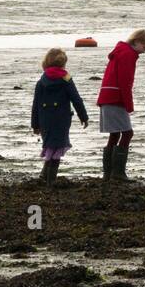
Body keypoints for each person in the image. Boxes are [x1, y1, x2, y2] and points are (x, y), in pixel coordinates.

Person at [95, 28, 145, 181]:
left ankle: (108, 173)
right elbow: (125, 82)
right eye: (144, 47)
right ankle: (117, 173)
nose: (144, 52)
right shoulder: (128, 54)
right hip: (115, 97)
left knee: (114, 133)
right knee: (127, 133)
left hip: (106, 96)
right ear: (137, 42)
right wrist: (129, 104)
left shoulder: (119, 52)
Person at [31, 47, 88, 186]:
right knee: (57, 147)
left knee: (50, 146)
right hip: (61, 120)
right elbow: (76, 99)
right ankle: (51, 181)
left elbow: (35, 105)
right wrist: (83, 116)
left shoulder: (41, 81)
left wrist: (35, 125)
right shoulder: (66, 79)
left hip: (45, 120)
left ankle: (44, 176)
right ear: (63, 64)